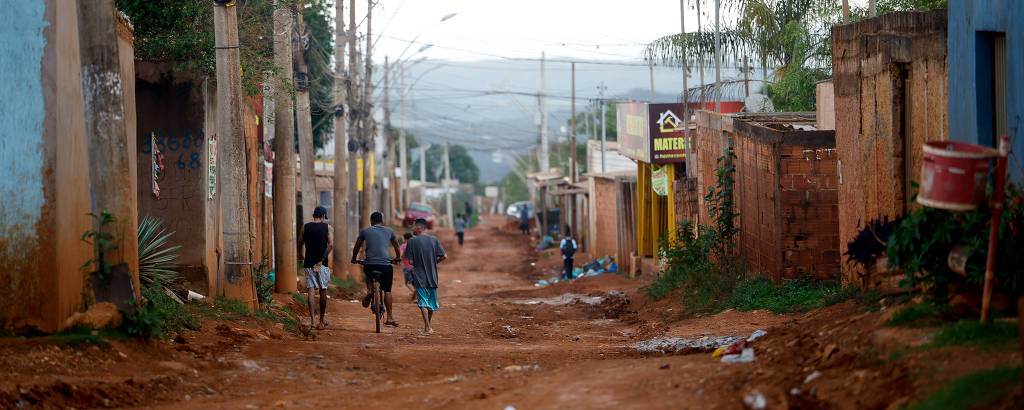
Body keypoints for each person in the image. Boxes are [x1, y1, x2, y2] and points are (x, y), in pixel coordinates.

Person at [351, 211, 402, 327]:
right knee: (387, 291)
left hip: (370, 265)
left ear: (371, 221)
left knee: (368, 273)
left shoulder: (365, 231)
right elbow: (396, 246)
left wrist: (354, 258)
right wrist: (397, 258)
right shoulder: (389, 231)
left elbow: (357, 246)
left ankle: (369, 291)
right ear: (382, 221)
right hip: (385, 265)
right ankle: (390, 317)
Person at [403, 218, 447, 335]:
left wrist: (418, 263)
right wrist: (433, 263)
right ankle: (428, 327)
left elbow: (411, 262)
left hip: (419, 275)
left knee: (422, 302)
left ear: (419, 227)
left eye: (413, 226)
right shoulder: (434, 240)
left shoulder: (412, 241)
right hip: (432, 276)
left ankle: (427, 328)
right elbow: (444, 256)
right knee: (431, 302)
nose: (412, 228)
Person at [297, 206, 334, 329]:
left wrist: (301, 256)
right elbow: (331, 245)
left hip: (308, 263)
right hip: (322, 264)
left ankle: (313, 320)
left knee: (311, 290)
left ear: (314, 215)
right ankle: (322, 320)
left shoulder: (305, 227)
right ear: (323, 216)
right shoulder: (327, 227)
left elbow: (300, 243)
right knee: (323, 290)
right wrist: (321, 260)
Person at [400, 232, 417, 301]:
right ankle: (416, 294)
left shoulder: (403, 246)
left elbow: (401, 256)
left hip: (407, 267)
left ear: (405, 239)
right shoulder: (414, 246)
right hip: (415, 267)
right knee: (415, 282)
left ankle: (414, 292)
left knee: (408, 283)